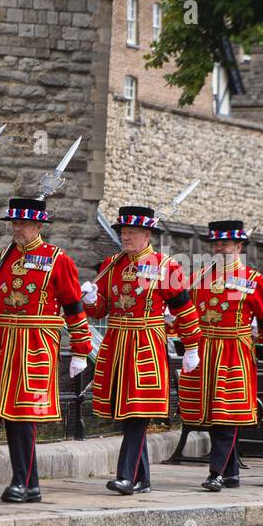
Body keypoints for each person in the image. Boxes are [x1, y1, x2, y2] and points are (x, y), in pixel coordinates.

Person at [0, 196, 94, 503]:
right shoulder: (0, 259)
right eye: (15, 223)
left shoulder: (58, 259)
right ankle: (27, 482)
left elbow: (72, 306)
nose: (18, 229)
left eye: (24, 224)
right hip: (4, 342)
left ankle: (25, 481)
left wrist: (81, 348)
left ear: (38, 225)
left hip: (36, 343)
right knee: (9, 415)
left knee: (24, 414)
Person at [83, 205, 202, 495]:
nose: (125, 237)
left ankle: (125, 476)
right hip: (116, 344)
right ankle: (142, 479)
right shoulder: (111, 265)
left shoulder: (166, 266)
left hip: (146, 345)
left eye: (132, 232)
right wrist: (89, 299)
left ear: (147, 234)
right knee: (127, 414)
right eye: (123, 232)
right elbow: (103, 309)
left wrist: (192, 346)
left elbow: (183, 309)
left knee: (137, 412)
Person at [179, 220, 263, 492]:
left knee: (226, 413)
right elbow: (187, 313)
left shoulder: (254, 281)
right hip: (206, 351)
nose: (220, 248)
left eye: (225, 244)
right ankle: (230, 473)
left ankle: (216, 472)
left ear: (239, 246)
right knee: (213, 416)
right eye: (216, 244)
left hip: (234, 352)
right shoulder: (198, 278)